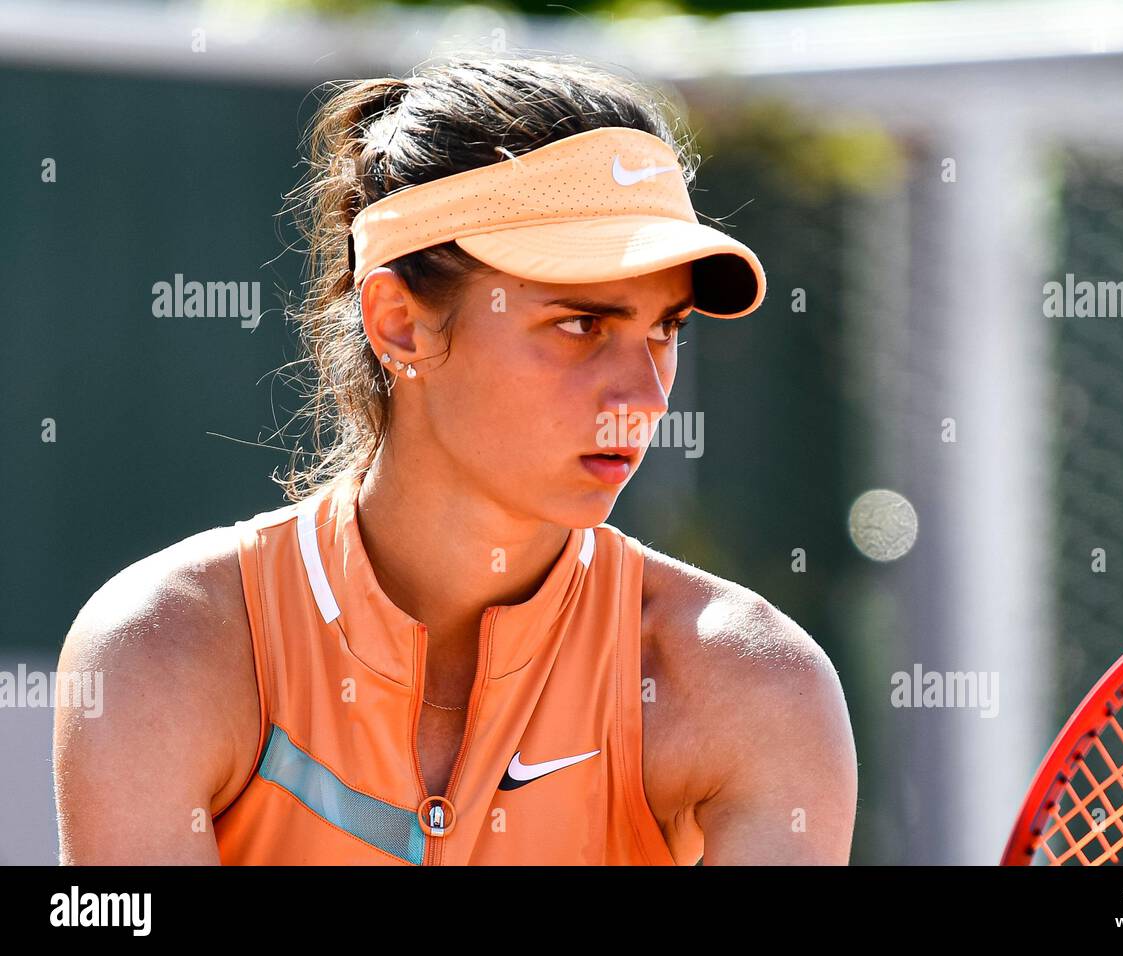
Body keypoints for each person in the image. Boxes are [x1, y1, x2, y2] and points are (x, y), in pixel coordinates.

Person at [53, 54, 857, 865]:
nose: (645, 398)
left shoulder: (754, 684)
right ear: (400, 323)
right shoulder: (161, 647)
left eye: (665, 331)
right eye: (582, 325)